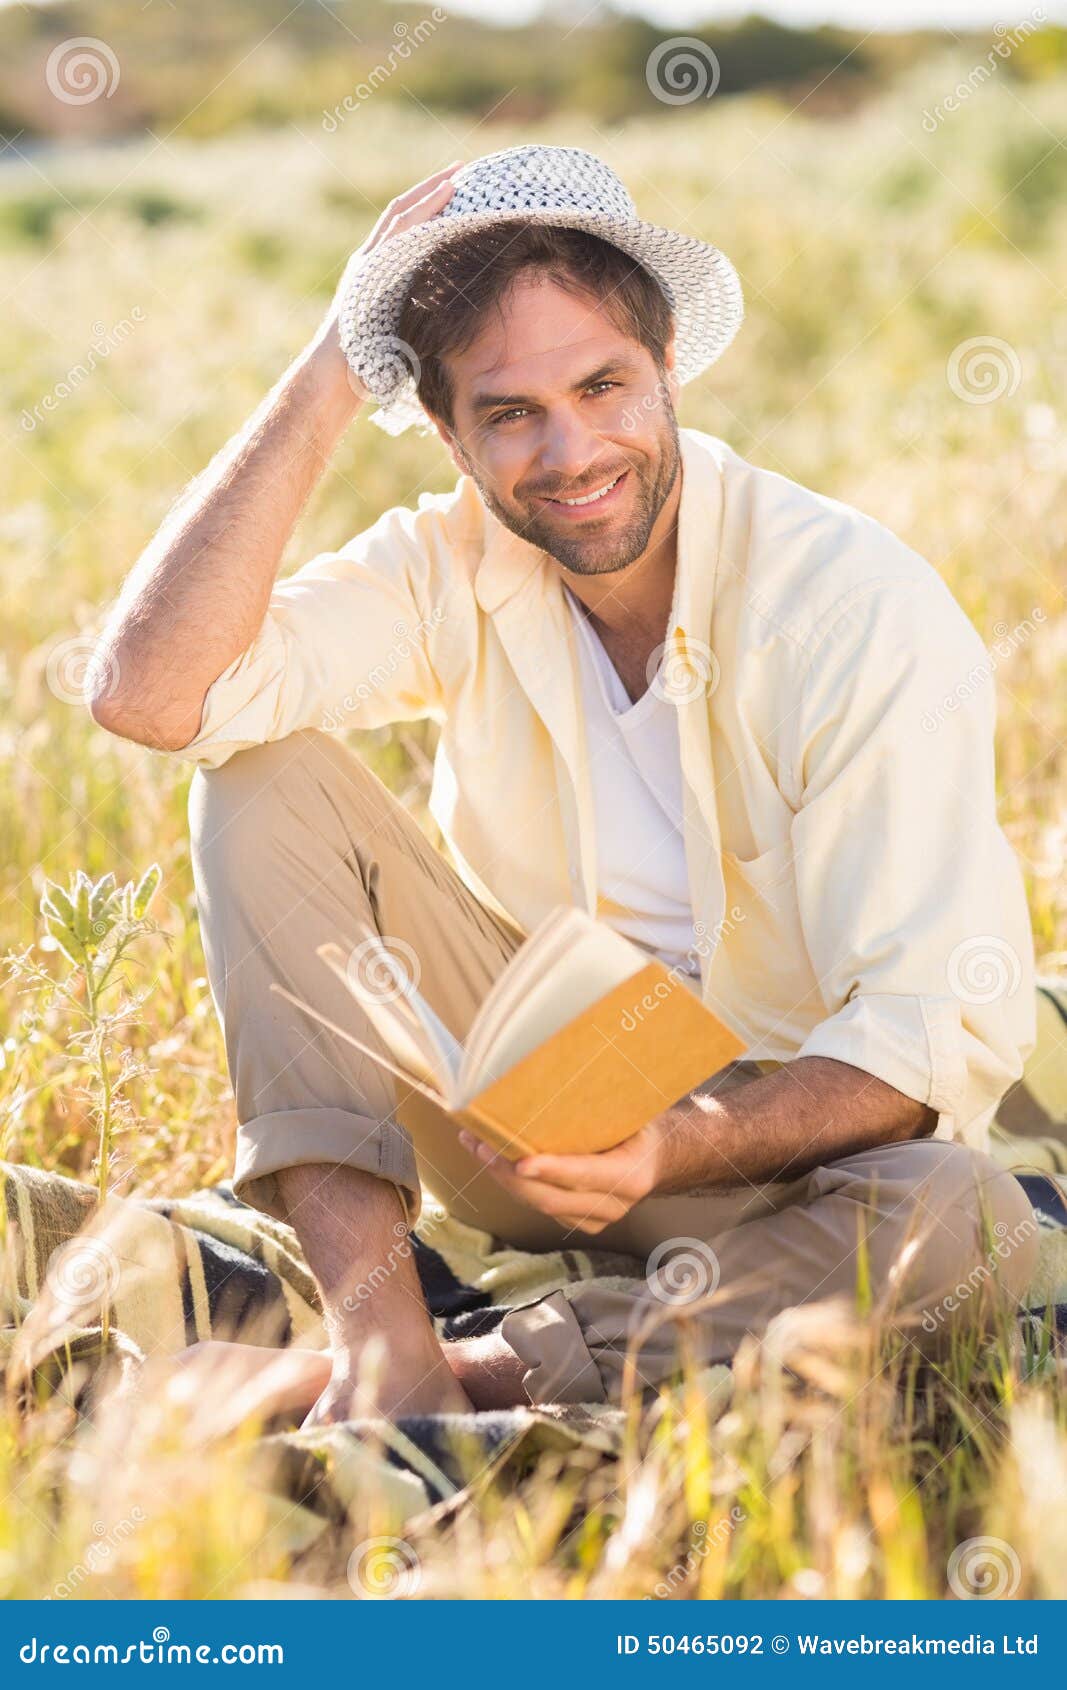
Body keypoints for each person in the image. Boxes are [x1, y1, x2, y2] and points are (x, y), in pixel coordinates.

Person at [88, 146, 1039, 1423]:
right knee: (254, 776)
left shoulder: (848, 608)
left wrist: (672, 1144)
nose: (572, 451)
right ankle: (379, 1341)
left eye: (601, 386)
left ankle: (459, 1375)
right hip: (523, 1125)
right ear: (447, 435)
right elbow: (154, 697)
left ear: (668, 368)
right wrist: (330, 367)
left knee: (964, 1222)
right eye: (508, 412)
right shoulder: (450, 561)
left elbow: (920, 1038)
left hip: (779, 1165)